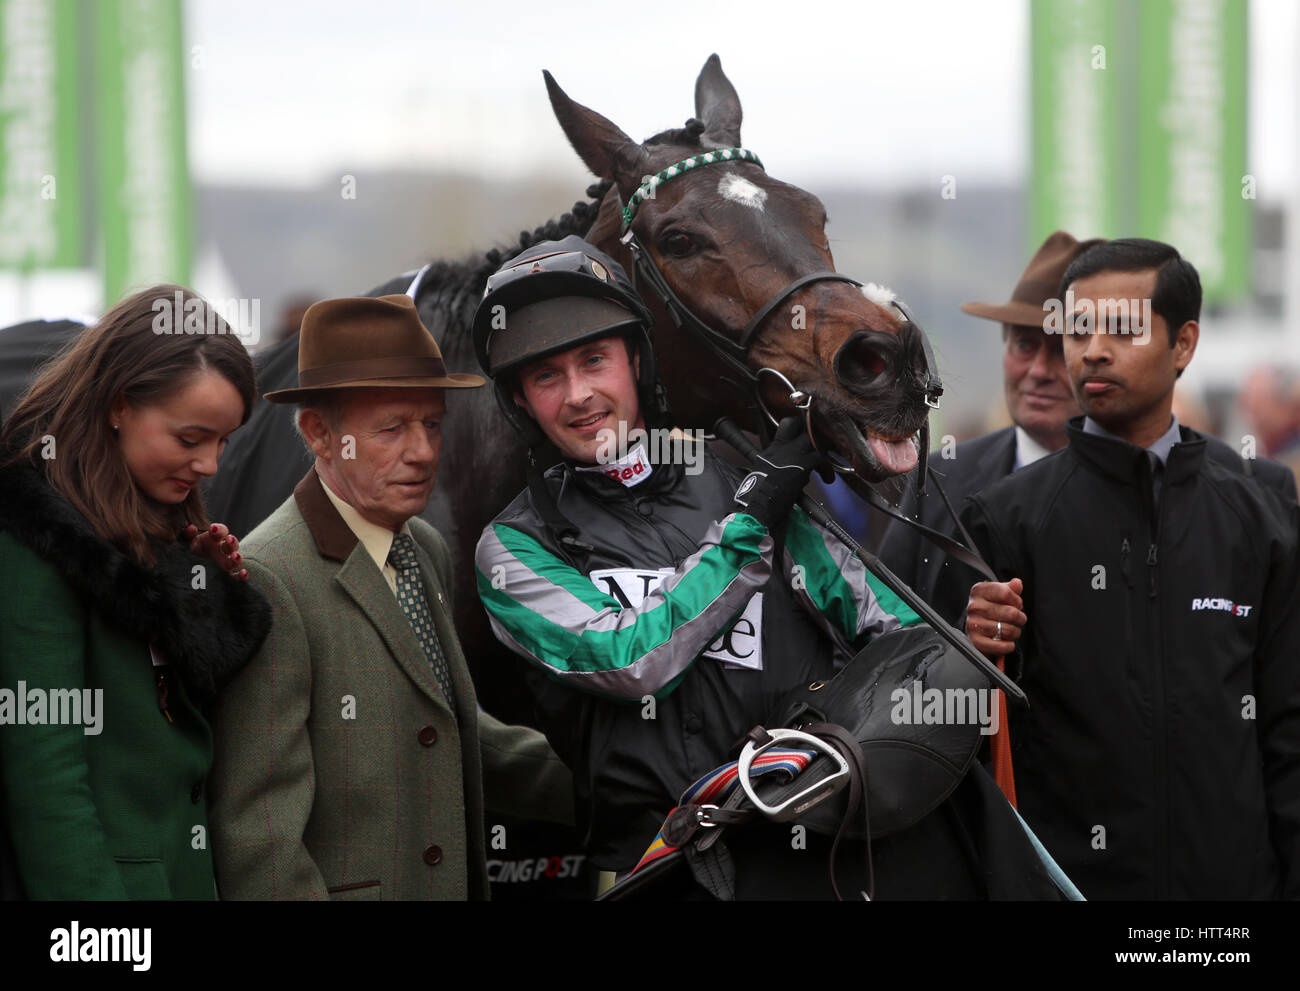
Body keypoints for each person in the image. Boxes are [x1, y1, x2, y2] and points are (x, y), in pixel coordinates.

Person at [471, 237, 1070, 900]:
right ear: (521, 401)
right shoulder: (512, 548)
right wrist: (751, 522)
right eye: (547, 376)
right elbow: (632, 658)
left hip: (806, 856)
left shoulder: (747, 478)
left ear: (636, 361)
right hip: (655, 867)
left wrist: (964, 640)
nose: (580, 393)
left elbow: (889, 634)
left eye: (594, 360)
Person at [961, 238, 1300, 899]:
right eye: (1078, 328)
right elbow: (968, 744)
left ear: (1184, 344)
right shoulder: (1004, 518)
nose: (1092, 349)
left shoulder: (1263, 505)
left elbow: (1288, 725)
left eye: (1121, 328)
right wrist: (962, 645)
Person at [208, 294, 572, 900]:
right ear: (319, 433)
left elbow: (445, 726)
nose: (424, 451)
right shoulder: (270, 578)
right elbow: (261, 840)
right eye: (392, 428)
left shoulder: (421, 545)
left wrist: (628, 785)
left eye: (432, 424)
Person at [0, 285, 270, 899]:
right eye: (190, 438)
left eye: (224, 442)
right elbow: (46, 782)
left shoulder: (159, 525)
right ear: (119, 405)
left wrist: (203, 593)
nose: (211, 466)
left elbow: (183, 719)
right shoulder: (32, 540)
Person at [880, 231, 1295, 628]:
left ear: (1181, 343)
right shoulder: (942, 484)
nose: (1041, 371)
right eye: (1024, 346)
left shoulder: (1251, 491)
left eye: (1059, 344)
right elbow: (886, 636)